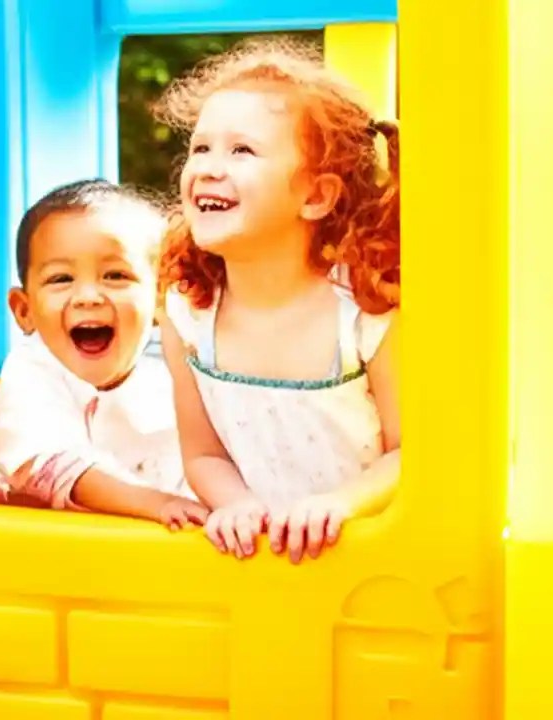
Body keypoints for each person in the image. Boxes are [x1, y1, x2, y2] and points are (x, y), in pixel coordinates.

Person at [155, 39, 402, 562]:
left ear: (316, 196)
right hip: (262, 567)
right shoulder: (188, 313)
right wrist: (238, 505)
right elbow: (203, 454)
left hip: (368, 562)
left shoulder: (366, 313)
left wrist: (339, 505)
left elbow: (414, 453)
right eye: (201, 148)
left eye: (241, 151)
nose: (209, 167)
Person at [0, 178, 209, 530]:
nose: (88, 296)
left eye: (115, 275)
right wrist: (156, 504)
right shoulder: (32, 371)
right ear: (24, 310)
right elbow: (49, 466)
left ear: (161, 298)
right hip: (35, 550)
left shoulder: (173, 376)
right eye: (61, 279)